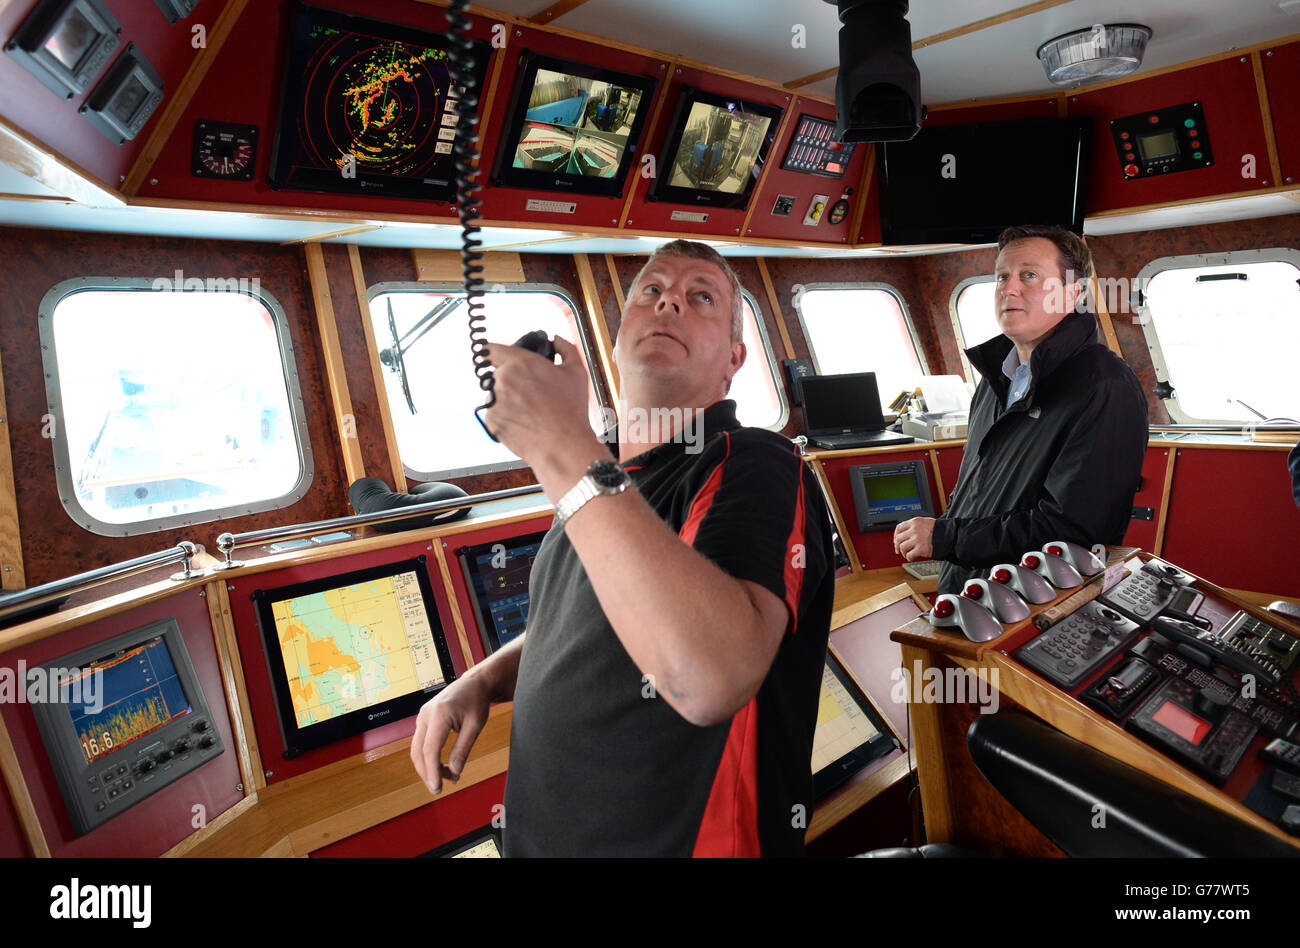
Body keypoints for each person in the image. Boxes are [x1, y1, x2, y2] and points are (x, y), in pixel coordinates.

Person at [410, 240, 834, 856]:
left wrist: (562, 442)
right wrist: (483, 677)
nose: (669, 304)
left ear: (734, 359)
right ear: (616, 339)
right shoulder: (604, 484)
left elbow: (710, 674)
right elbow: (601, 626)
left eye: (700, 298)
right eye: (651, 292)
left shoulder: (758, 464)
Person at [893, 224, 1148, 594]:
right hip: (969, 591)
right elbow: (976, 492)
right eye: (1001, 276)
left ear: (1071, 293)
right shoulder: (996, 378)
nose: (1008, 288)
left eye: (1029, 275)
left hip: (1037, 607)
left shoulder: (1105, 386)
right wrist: (950, 542)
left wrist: (947, 538)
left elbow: (1074, 532)